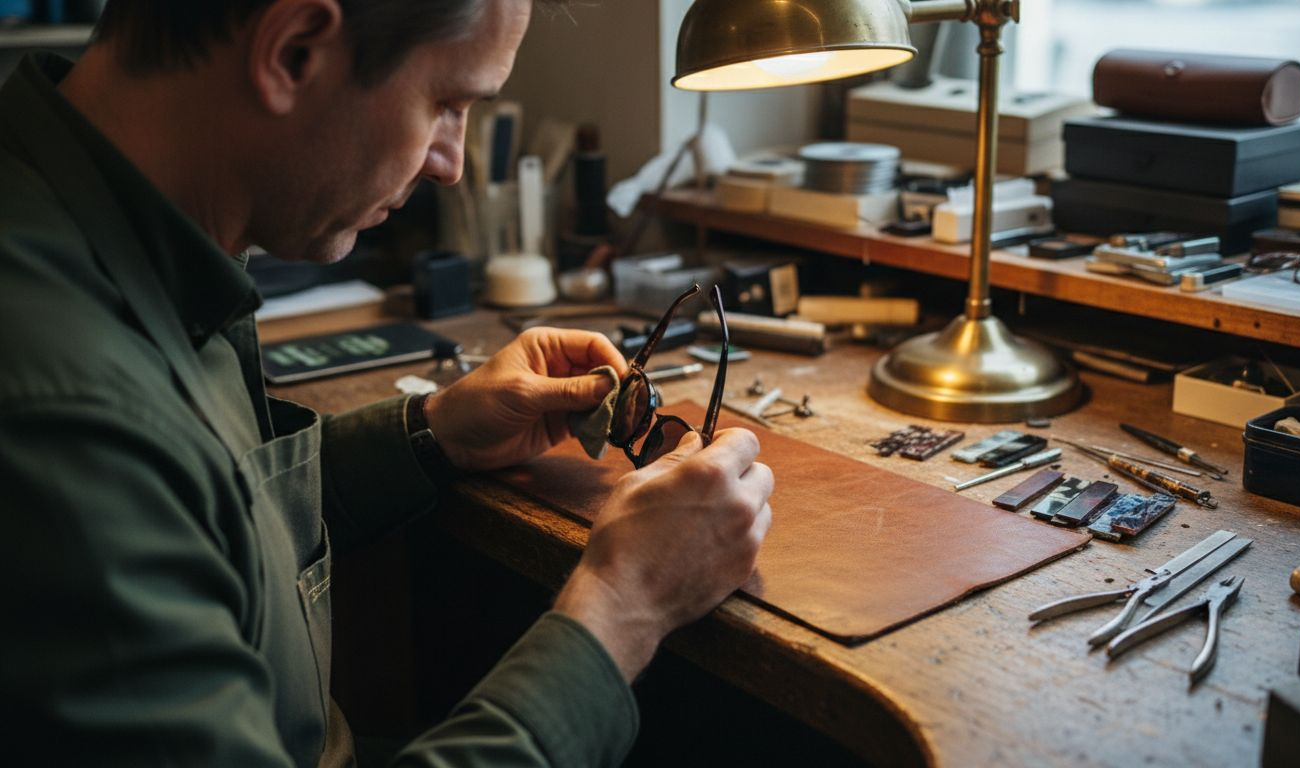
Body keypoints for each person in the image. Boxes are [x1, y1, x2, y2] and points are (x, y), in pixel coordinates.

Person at [0, 0, 774, 765]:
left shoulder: (129, 237)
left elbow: (202, 513)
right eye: (447, 104)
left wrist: (431, 434)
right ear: (294, 53)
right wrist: (623, 603)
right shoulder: (64, 418)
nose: (452, 164)